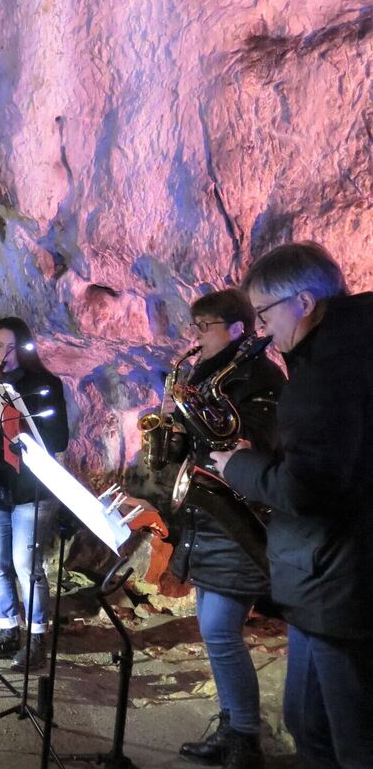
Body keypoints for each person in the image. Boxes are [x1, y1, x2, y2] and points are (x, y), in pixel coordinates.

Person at [211, 242, 373, 769]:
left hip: (340, 586)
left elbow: (308, 490)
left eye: (263, 314)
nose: (260, 330)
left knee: (350, 741)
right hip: (324, 584)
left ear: (303, 301)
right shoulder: (349, 348)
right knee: (307, 721)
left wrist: (237, 466)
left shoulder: (325, 375)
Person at [167, 290, 284, 768]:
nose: (196, 337)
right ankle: (233, 724)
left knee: (219, 631)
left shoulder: (261, 376)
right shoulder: (202, 374)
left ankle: (245, 739)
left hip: (239, 517)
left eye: (205, 326)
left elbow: (261, 444)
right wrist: (173, 435)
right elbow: (191, 446)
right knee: (215, 632)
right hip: (205, 516)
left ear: (237, 328)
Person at [0, 317, 69, 671]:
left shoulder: (46, 384)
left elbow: (60, 439)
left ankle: (37, 637)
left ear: (26, 349)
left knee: (27, 565)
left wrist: (27, 421)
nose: (5, 353)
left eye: (12, 346)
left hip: (32, 488)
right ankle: (8, 629)